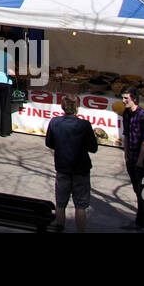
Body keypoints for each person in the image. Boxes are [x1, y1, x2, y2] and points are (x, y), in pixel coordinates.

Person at [45, 93, 98, 232]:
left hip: (63, 168)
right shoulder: (84, 125)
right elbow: (93, 148)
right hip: (80, 169)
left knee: (60, 204)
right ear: (76, 107)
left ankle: (59, 229)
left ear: (62, 107)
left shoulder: (55, 122)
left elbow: (49, 143)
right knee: (80, 206)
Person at [121, 87, 144, 232]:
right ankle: (139, 221)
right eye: (122, 98)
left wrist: (140, 160)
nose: (123, 101)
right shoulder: (126, 114)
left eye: (126, 98)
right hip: (132, 157)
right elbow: (126, 134)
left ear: (134, 99)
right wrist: (126, 153)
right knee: (137, 190)